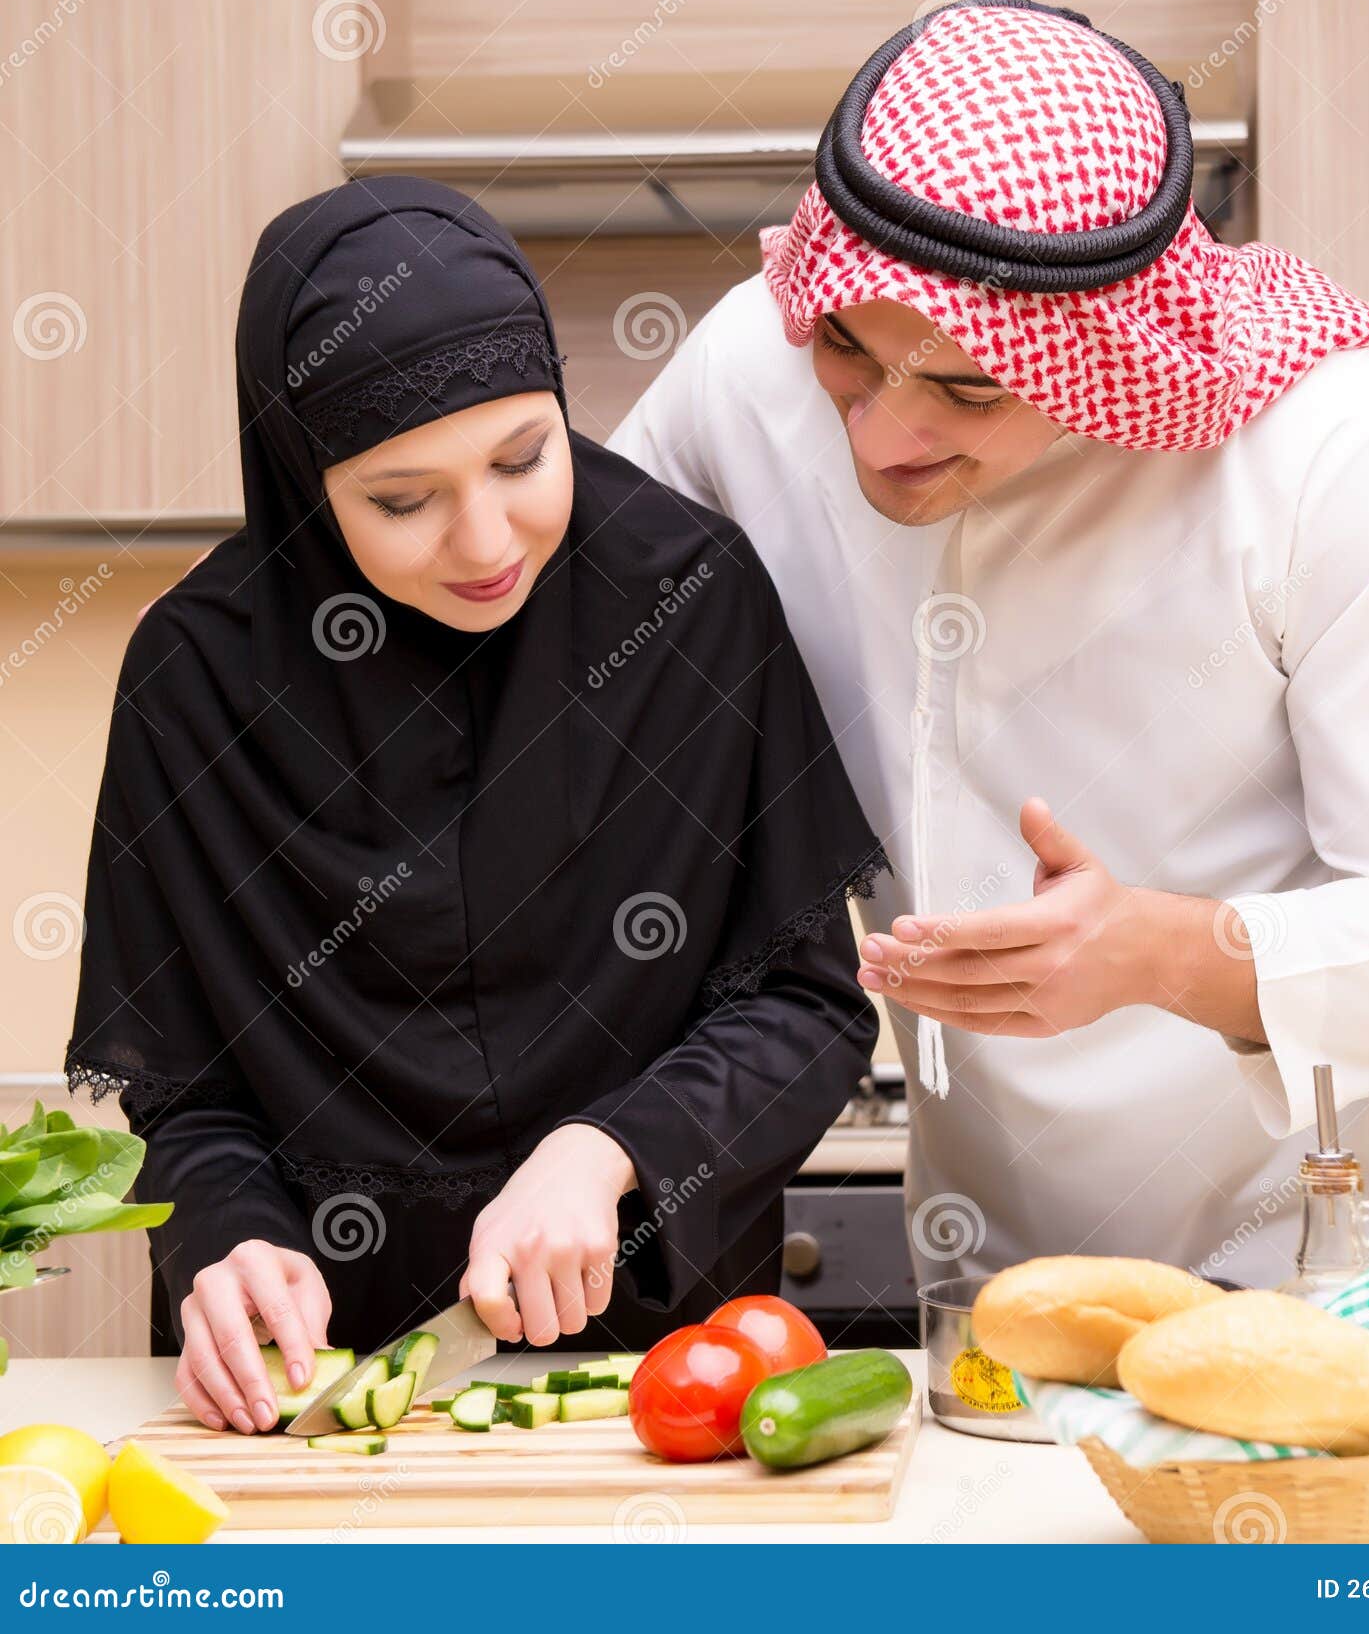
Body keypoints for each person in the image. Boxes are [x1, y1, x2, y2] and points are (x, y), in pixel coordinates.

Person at [607, 0, 1369, 1303]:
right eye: (848, 348)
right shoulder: (744, 382)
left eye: (968, 388)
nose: (881, 437)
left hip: (1326, 1282)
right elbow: (565, 657)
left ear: (1103, 350)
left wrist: (1152, 950)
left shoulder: (1337, 456)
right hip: (999, 1282)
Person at [66, 177, 884, 1435]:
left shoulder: (688, 598)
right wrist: (228, 1242)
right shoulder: (198, 677)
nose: (487, 538)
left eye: (522, 456)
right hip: (306, 1388)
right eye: (403, 500)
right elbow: (186, 1090)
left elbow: (807, 1003)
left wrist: (608, 1148)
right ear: (300, 475)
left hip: (666, 1387)